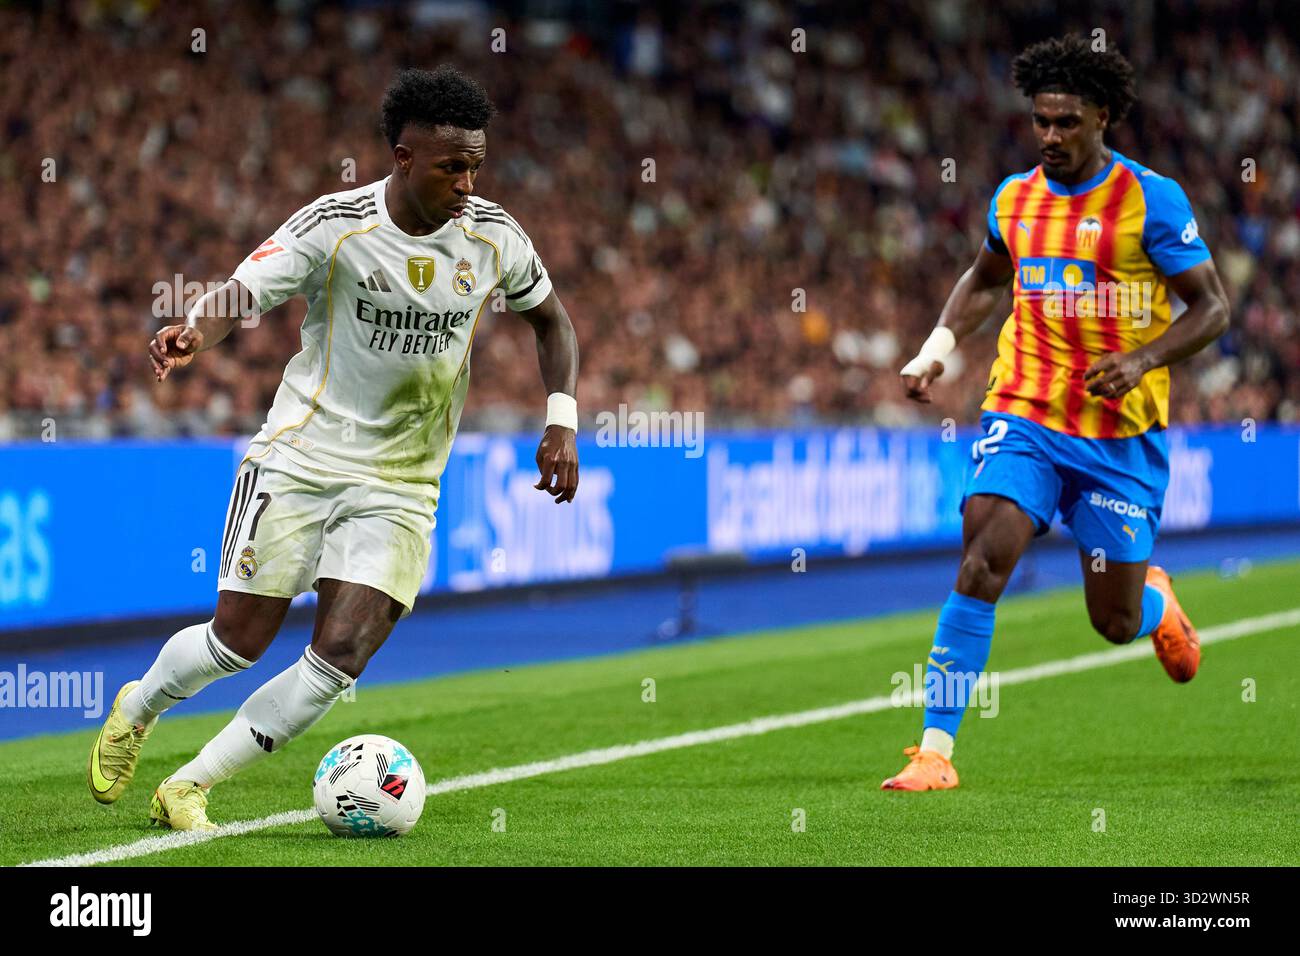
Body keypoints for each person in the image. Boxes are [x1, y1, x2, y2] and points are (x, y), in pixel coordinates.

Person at [88, 66, 582, 828]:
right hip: (302, 456)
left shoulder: (494, 237)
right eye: (453, 166)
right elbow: (244, 290)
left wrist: (561, 418)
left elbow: (553, 322)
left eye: (477, 164)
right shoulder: (336, 223)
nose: (468, 182)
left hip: (403, 482)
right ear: (404, 156)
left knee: (339, 657)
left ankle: (189, 785)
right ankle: (140, 704)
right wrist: (195, 332)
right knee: (237, 641)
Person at [883, 35, 1230, 791]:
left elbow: (1212, 308)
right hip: (1026, 411)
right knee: (982, 553)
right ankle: (935, 750)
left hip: (1119, 438)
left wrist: (1140, 360)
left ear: (1102, 116)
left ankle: (1156, 607)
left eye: (1067, 122)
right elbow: (985, 278)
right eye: (1040, 121)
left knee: (1111, 620)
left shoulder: (1151, 200)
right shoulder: (1014, 198)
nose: (1050, 137)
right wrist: (936, 348)